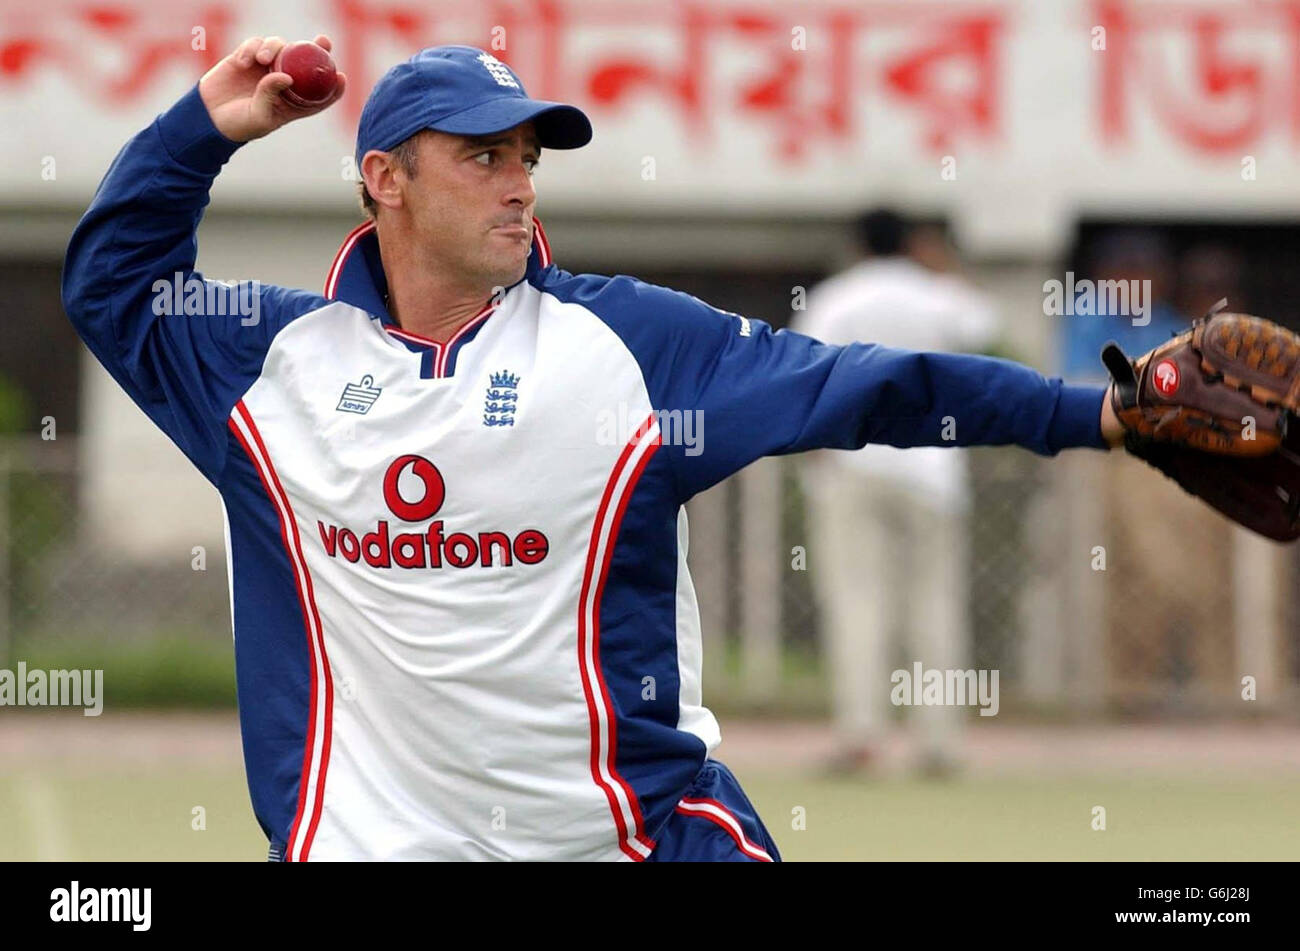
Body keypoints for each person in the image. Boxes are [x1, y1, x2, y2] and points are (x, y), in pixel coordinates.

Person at [62, 36, 1126, 861]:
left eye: (525, 156)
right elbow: (110, 285)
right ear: (385, 180)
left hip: (630, 835)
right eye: (481, 156)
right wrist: (207, 125)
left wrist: (1099, 417)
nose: (518, 182)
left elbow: (870, 387)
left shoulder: (629, 345)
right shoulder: (268, 365)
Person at [791, 210, 999, 776]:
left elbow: (804, 374)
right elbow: (984, 326)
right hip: (932, 473)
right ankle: (938, 744)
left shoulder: (837, 297)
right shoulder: (936, 295)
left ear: (857, 244)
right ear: (912, 243)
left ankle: (861, 737)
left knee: (859, 603)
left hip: (854, 466)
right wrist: (948, 268)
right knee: (935, 605)